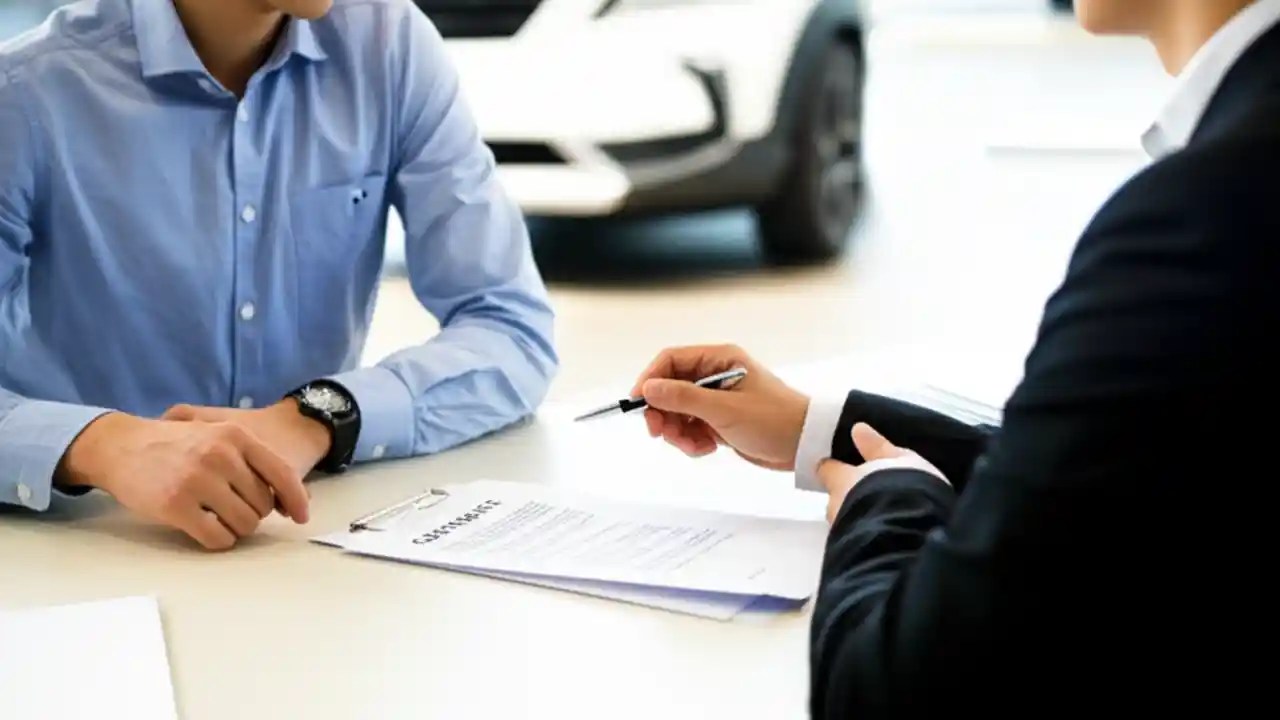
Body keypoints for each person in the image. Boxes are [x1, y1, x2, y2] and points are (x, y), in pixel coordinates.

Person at [631, 0, 1276, 715]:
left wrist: (886, 502)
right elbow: (1107, 475)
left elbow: (891, 689)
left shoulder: (1203, 212)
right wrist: (815, 429)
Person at [0, 0, 557, 551]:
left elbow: (511, 327)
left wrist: (315, 416)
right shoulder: (27, 90)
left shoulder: (390, 45)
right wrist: (106, 446)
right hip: (88, 545)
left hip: (303, 541)